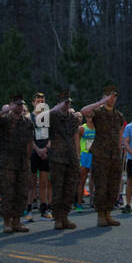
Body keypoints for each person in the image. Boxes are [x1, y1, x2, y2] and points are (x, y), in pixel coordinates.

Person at [80, 87, 125, 228]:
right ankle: (100, 215)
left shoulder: (118, 115)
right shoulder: (98, 112)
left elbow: (119, 135)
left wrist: (119, 153)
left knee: (113, 185)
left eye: (114, 96)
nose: (112, 99)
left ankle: (108, 214)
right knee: (101, 185)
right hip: (100, 154)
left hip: (114, 155)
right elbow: (84, 111)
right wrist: (101, 102)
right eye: (109, 96)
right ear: (104, 97)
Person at [0, 94, 36, 233]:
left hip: (23, 162)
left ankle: (17, 221)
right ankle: (7, 222)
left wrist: (28, 160)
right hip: (8, 162)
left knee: (22, 192)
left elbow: (30, 142)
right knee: (8, 192)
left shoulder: (27, 122)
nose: (20, 106)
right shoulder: (4, 119)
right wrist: (5, 110)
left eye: (21, 104)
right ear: (11, 104)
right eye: (17, 104)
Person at [46, 92, 82, 230]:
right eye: (64, 102)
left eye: (69, 102)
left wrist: (77, 156)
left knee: (69, 188)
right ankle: (57, 218)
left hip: (71, 157)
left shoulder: (73, 119)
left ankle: (65, 217)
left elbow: (75, 137)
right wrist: (55, 108)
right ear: (59, 102)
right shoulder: (52, 116)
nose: (67, 104)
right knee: (58, 188)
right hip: (57, 158)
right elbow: (39, 119)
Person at [31, 93, 51, 219]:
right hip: (33, 152)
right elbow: (28, 137)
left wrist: (46, 149)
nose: (40, 103)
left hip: (45, 152)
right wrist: (37, 149)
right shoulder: (29, 117)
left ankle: (44, 208)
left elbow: (52, 136)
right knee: (32, 183)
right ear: (33, 103)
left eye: (42, 101)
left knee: (44, 182)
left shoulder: (47, 118)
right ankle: (29, 209)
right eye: (38, 101)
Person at [78, 113, 94, 210]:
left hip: (94, 155)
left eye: (91, 116)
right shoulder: (82, 128)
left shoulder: (97, 128)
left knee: (94, 180)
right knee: (82, 180)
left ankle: (93, 201)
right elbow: (77, 141)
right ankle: (79, 204)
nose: (90, 118)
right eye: (88, 116)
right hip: (84, 155)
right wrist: (78, 154)